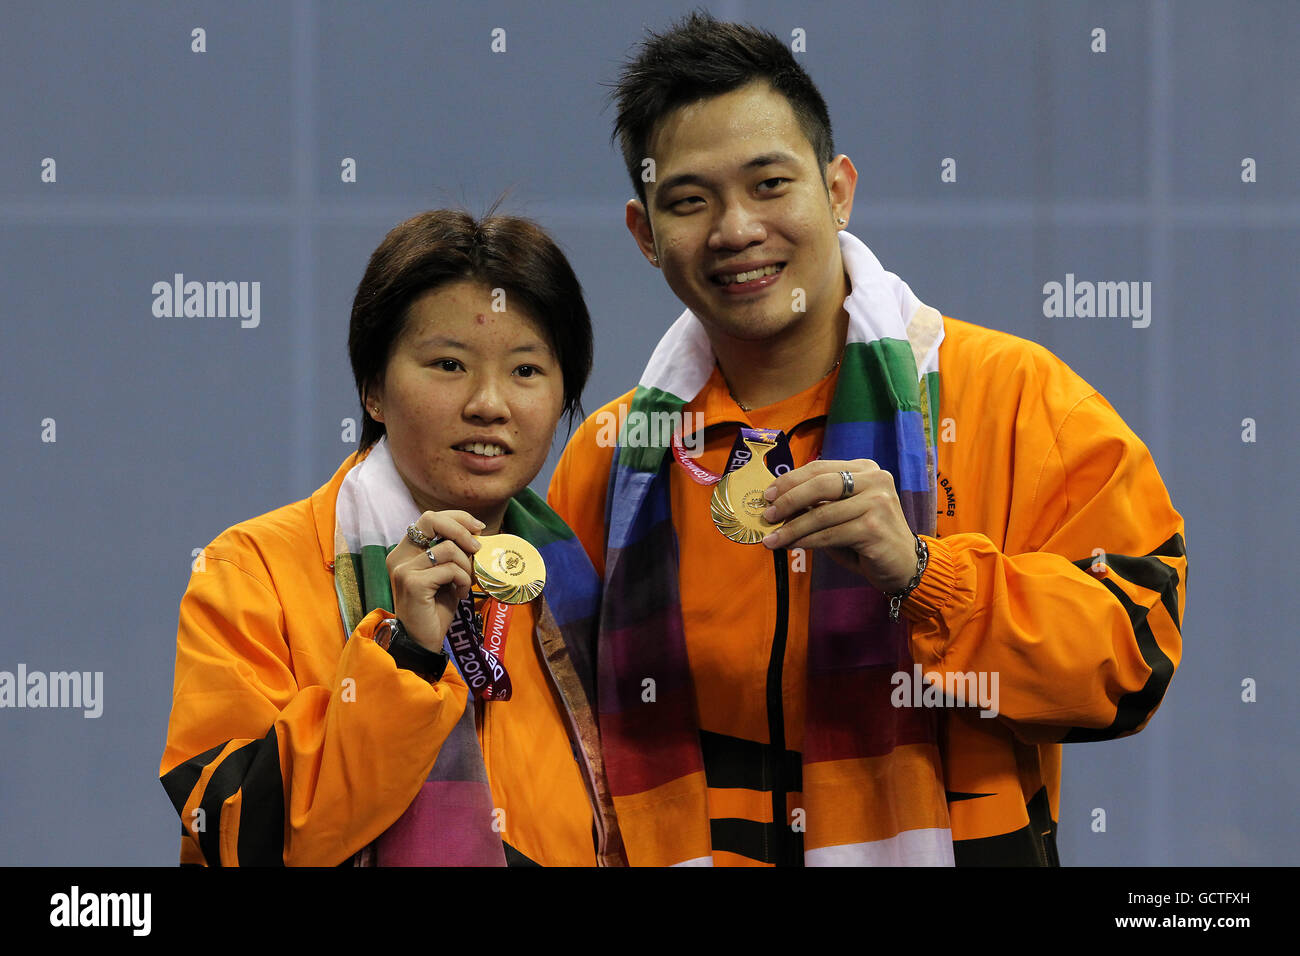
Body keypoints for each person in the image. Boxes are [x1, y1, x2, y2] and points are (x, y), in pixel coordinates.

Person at [547, 13, 1186, 866]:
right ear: (645, 234)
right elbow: (552, 737)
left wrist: (927, 575)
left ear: (839, 189)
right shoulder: (613, 455)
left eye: (770, 184)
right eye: (690, 201)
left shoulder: (1017, 397)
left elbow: (1134, 658)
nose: (736, 230)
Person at [160, 209, 623, 866]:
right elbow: (230, 831)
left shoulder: (582, 597)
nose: (489, 403)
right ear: (374, 388)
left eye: (526, 371)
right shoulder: (252, 569)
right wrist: (406, 657)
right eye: (448, 364)